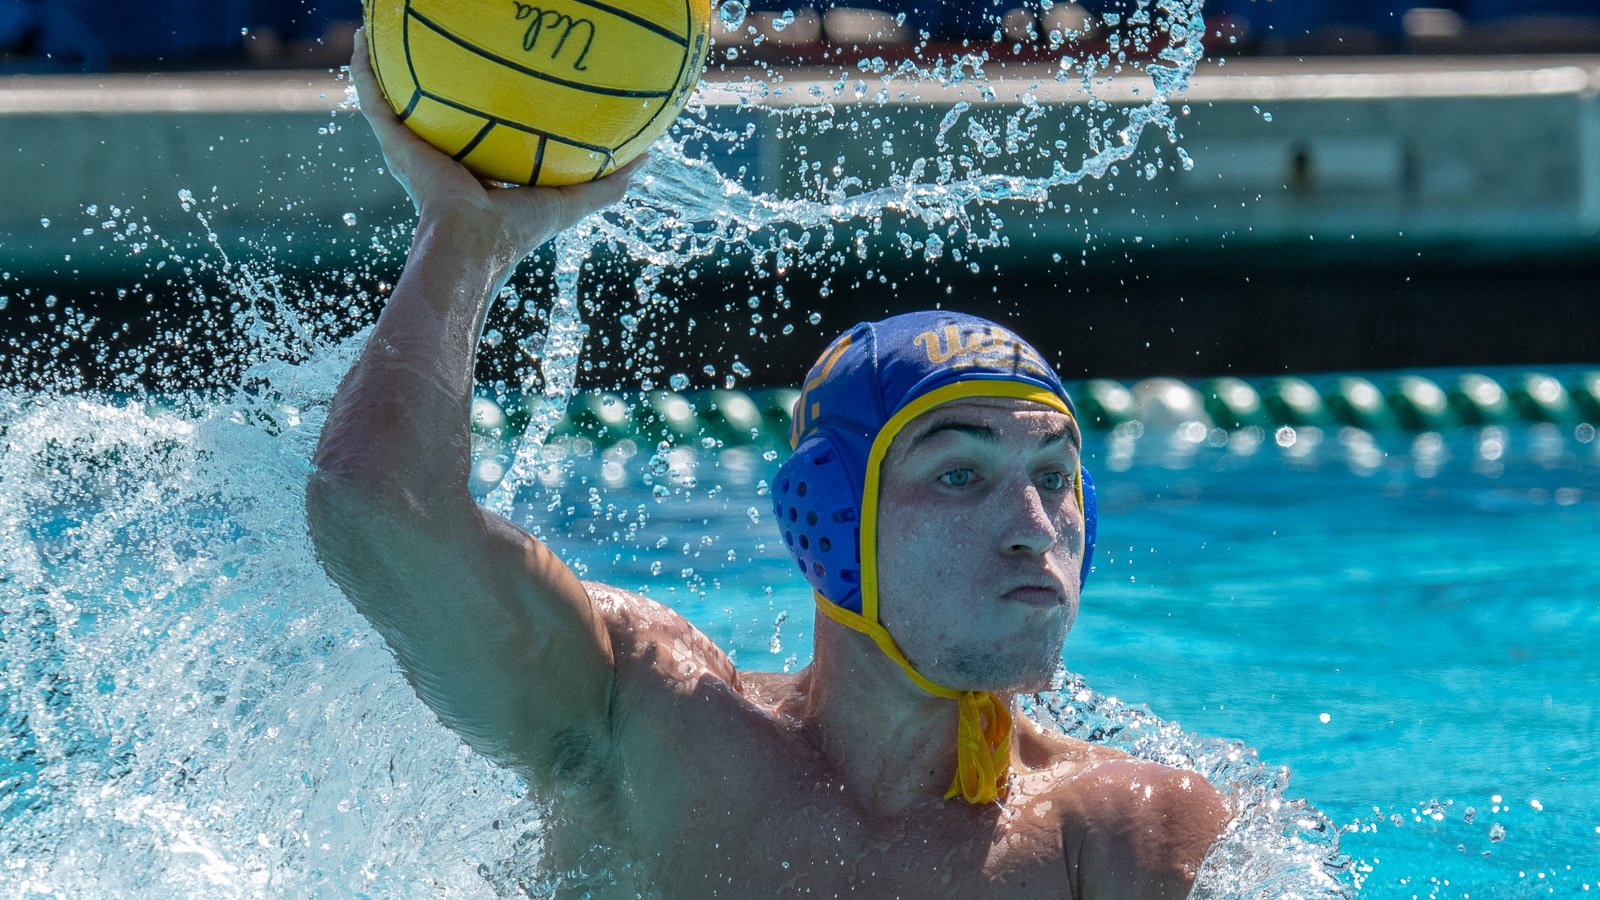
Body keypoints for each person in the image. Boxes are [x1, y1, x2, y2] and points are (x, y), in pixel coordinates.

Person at [307, 31, 1232, 899]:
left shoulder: (1118, 829)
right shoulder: (647, 718)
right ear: (830, 518)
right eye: (961, 474)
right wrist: (467, 237)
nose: (1036, 528)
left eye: (1056, 477)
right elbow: (375, 501)